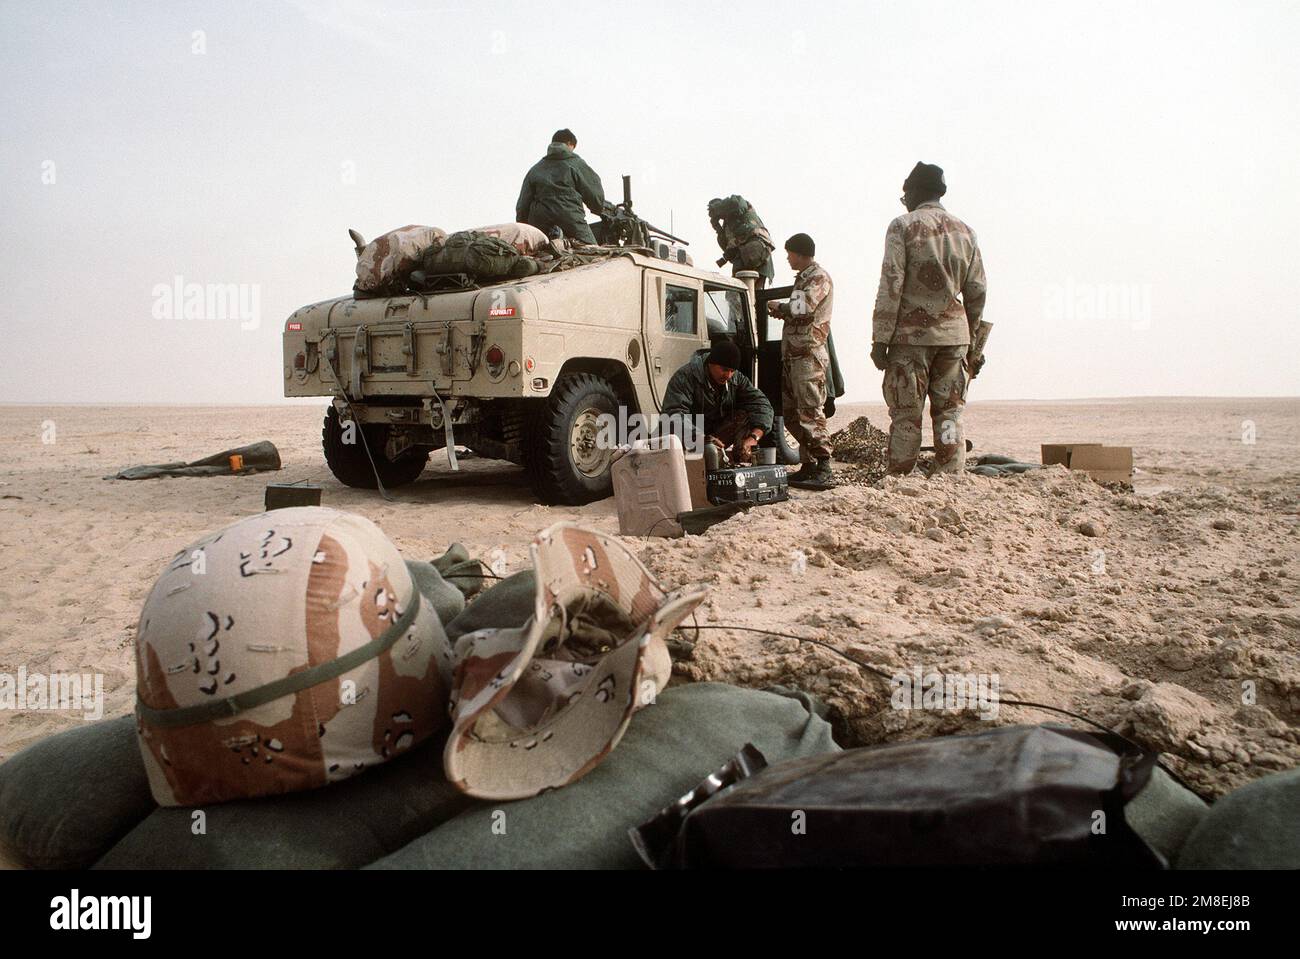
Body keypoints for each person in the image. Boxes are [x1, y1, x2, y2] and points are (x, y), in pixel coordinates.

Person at [870, 161, 987, 476]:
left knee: (906, 414)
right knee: (950, 414)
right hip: (955, 338)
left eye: (904, 194)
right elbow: (977, 292)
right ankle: (951, 476)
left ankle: (899, 477)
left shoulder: (903, 226)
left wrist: (880, 339)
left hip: (911, 338)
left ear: (913, 191)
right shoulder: (967, 232)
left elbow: (891, 285)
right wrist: (974, 343)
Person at [766, 233, 835, 489]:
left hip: (807, 355)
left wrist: (780, 308)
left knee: (810, 411)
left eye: (790, 253)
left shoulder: (818, 277)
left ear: (800, 253)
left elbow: (804, 308)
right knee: (793, 414)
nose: (787, 258)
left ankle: (824, 465)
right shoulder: (803, 279)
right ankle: (808, 465)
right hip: (794, 356)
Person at [662, 339, 773, 464]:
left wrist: (754, 437)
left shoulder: (736, 378)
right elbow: (673, 415)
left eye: (732, 371)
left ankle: (739, 463)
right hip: (691, 438)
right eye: (724, 369)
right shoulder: (685, 377)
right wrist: (702, 438)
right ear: (710, 363)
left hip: (717, 437)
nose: (728, 376)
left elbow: (762, 405)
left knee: (745, 415)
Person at [515, 129, 607, 245]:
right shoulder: (575, 163)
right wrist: (598, 208)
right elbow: (594, 194)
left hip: (539, 221)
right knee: (592, 249)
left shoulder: (535, 169)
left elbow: (522, 205)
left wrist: (526, 228)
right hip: (570, 218)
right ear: (569, 144)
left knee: (535, 251)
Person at [708, 196, 776, 289]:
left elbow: (737, 203)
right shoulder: (727, 227)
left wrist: (715, 208)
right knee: (747, 295)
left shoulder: (738, 205)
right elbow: (728, 248)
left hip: (756, 249)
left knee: (737, 293)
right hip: (746, 257)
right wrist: (718, 228)